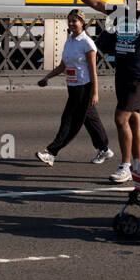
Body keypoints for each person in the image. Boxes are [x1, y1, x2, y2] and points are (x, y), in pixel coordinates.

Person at [63, 0, 140, 189]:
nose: (135, 1)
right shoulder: (121, 14)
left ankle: (125, 165)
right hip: (122, 75)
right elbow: (97, 3)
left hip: (138, 77)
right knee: (133, 119)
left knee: (121, 118)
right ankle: (137, 162)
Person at [35, 9, 112, 166]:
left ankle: (51, 152)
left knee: (69, 121)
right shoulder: (69, 41)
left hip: (84, 88)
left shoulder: (87, 43)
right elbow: (63, 66)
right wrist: (47, 77)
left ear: (82, 23)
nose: (71, 24)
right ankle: (104, 148)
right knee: (90, 120)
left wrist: (95, 92)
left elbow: (93, 71)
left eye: (74, 21)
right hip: (73, 87)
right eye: (69, 21)